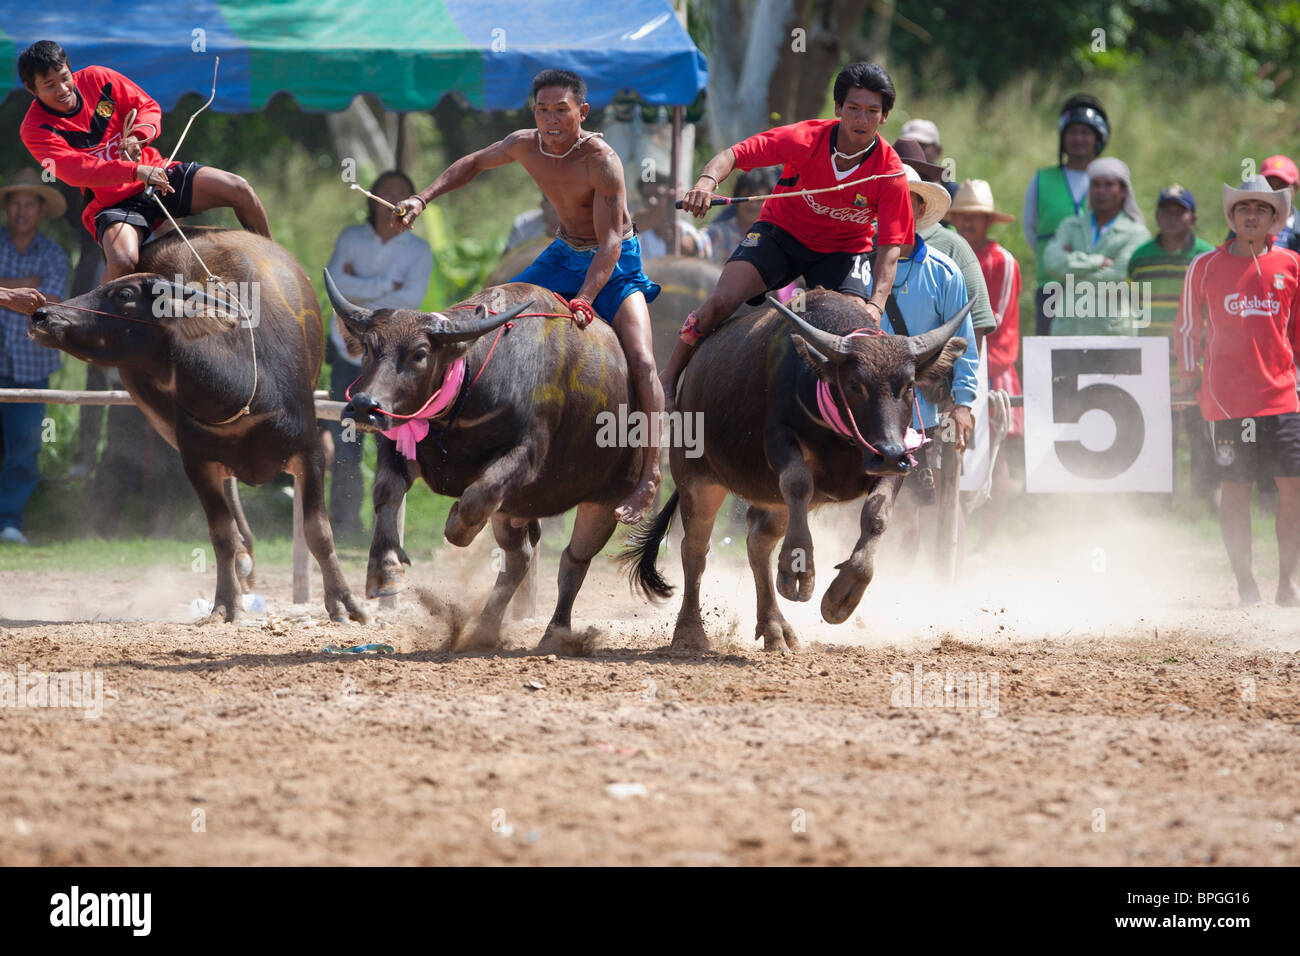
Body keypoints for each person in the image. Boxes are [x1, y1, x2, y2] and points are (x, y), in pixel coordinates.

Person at [393, 68, 664, 524]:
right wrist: (423, 198)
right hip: (560, 254)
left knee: (642, 361)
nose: (552, 120)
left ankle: (650, 475)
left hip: (614, 263)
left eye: (562, 110)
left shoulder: (602, 160)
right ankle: (445, 430)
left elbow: (611, 243)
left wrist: (585, 297)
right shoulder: (524, 143)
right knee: (494, 317)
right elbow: (473, 164)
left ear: (583, 112)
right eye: (542, 110)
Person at [666, 61, 914, 402]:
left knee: (856, 327)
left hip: (843, 251)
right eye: (853, 109)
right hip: (780, 234)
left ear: (884, 117)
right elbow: (734, 154)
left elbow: (889, 249)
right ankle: (668, 377)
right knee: (720, 303)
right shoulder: (804, 138)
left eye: (872, 111)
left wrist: (876, 304)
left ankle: (853, 418)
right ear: (838, 108)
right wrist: (706, 183)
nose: (861, 119)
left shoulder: (890, 172)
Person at [17, 40, 270, 283]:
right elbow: (75, 171)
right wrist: (135, 171)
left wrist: (138, 137)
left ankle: (273, 266)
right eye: (50, 85)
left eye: (64, 77)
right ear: (32, 89)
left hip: (158, 175)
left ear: (70, 69)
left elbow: (147, 106)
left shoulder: (98, 79)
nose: (62, 89)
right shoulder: (35, 128)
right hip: (113, 203)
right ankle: (100, 321)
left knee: (240, 189)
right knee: (122, 260)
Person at [1175, 175, 1300, 606]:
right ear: (1232, 216)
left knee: (1294, 489)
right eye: (1244, 208)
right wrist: (1189, 378)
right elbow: (1189, 329)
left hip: (1283, 397)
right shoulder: (1205, 266)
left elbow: (1298, 334)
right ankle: (1246, 583)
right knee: (1236, 489)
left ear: (1274, 219)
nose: (1251, 215)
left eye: (1261, 209)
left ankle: (1289, 583)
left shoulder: (1291, 265)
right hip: (1227, 402)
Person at [324, 170, 433, 539]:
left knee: (393, 444)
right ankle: (344, 523)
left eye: (402, 195)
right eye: (385, 193)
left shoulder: (419, 250)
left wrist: (363, 293)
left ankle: (386, 526)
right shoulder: (351, 238)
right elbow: (338, 285)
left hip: (393, 363)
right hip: (348, 351)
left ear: (412, 206)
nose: (393, 202)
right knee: (347, 441)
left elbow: (410, 302)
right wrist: (388, 286)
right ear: (372, 200)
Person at [947, 178, 1022, 548]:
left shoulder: (1003, 262)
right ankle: (956, 542)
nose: (966, 222)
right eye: (960, 215)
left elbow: (1000, 321)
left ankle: (984, 545)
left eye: (974, 216)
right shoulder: (946, 254)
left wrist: (968, 366)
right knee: (953, 457)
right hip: (954, 368)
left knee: (995, 460)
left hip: (994, 372)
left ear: (988, 220)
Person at [1128, 185, 1216, 502]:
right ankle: (1160, 502)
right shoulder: (1140, 258)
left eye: (1180, 210)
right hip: (1153, 360)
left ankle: (1203, 502)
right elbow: (1130, 306)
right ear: (1156, 215)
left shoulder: (1208, 256)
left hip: (1197, 359)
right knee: (1159, 435)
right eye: (1166, 209)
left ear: (1192, 217)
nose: (1172, 216)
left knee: (1201, 432)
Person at [0, 168, 70, 544]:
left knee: (25, 449)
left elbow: (54, 303)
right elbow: (36, 298)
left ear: (41, 211)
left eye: (30, 204)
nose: (22, 211)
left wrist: (3, 289)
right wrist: (22, 290)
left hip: (31, 366)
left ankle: (9, 520)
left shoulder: (55, 254)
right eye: (16, 204)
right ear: (7, 208)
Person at [894, 139, 997, 347]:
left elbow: (973, 325)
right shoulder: (863, 243)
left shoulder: (954, 249)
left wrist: (958, 378)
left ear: (923, 198)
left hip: (933, 376)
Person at [1024, 94, 1110, 334]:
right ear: (1063, 138)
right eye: (1072, 132)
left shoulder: (1111, 180)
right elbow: (1030, 229)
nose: (1078, 139)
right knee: (1052, 363)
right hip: (1052, 286)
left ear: (1098, 137)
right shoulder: (1042, 179)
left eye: (1086, 132)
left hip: (1100, 288)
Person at [1042, 157, 1151, 335]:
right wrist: (1096, 261)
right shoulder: (1071, 225)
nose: (1101, 191)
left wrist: (1070, 272)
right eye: (1096, 185)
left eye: (1109, 185)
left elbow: (1120, 276)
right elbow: (1051, 262)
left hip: (1113, 332)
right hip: (1068, 330)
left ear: (1123, 190)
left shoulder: (1137, 233)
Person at [702, 168, 777, 265]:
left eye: (759, 199)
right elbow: (699, 240)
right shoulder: (718, 232)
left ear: (769, 203)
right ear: (736, 200)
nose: (752, 204)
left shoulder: (777, 237)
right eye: (747, 197)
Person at [1225, 155, 1300, 251]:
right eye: (1269, 185)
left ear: (1296, 187)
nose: (1275, 191)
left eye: (1281, 186)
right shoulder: (1244, 223)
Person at [635, 177, 710, 258]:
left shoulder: (685, 229)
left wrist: (676, 239)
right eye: (646, 196)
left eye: (657, 194)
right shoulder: (639, 228)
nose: (651, 200)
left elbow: (696, 250)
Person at [899, 118, 956, 198]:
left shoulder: (953, 192)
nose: (912, 150)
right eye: (906, 146)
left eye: (921, 145)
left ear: (938, 151)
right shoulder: (884, 183)